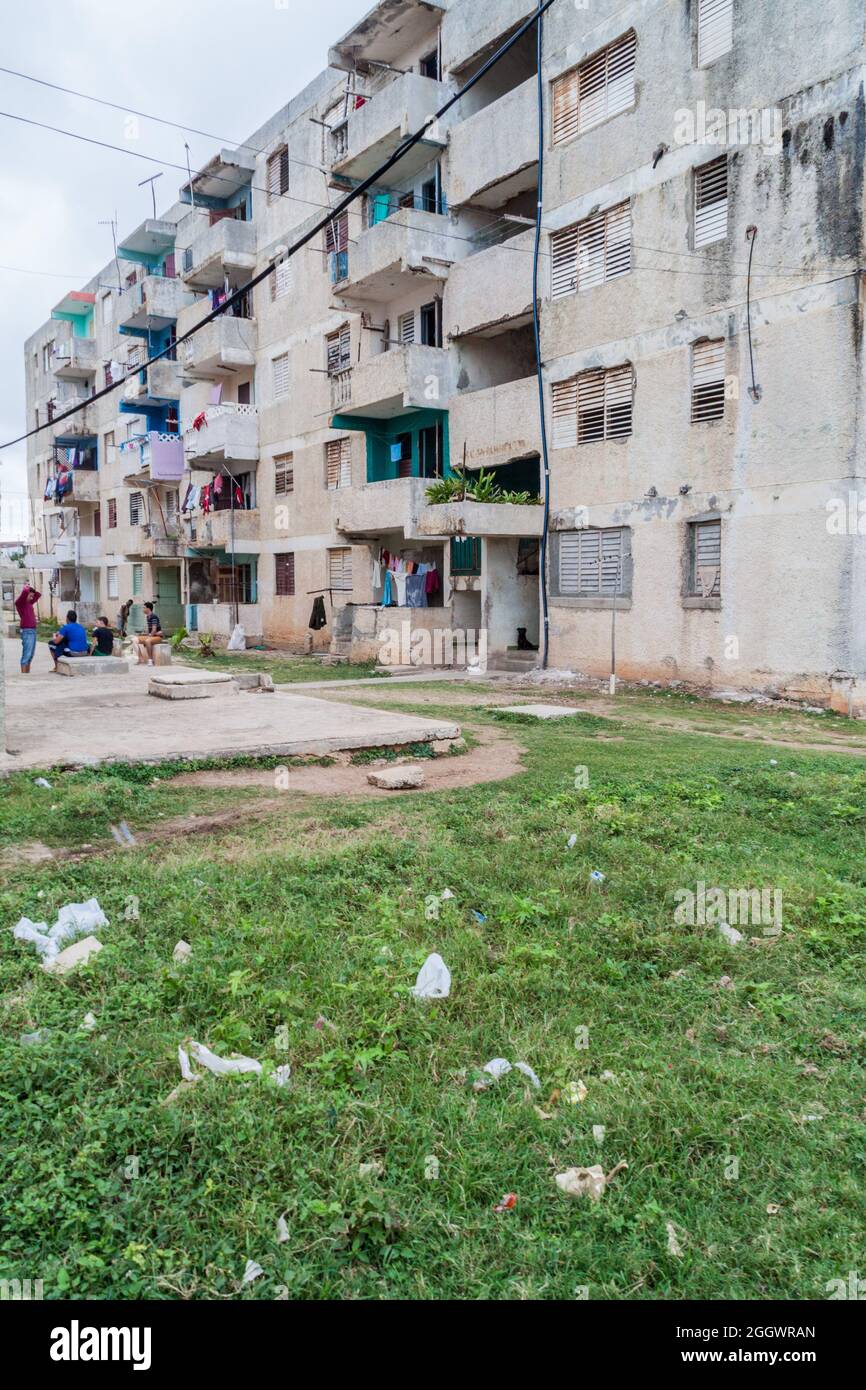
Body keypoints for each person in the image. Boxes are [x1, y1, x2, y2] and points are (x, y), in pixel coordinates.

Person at [14, 582, 41, 673]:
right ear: (25, 595)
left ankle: (27, 675)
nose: (32, 598)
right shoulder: (20, 603)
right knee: (27, 654)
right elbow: (25, 592)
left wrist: (32, 592)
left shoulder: (29, 603)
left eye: (32, 596)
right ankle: (23, 676)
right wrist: (26, 587)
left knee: (31, 655)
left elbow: (38, 595)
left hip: (33, 631)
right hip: (27, 631)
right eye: (30, 596)